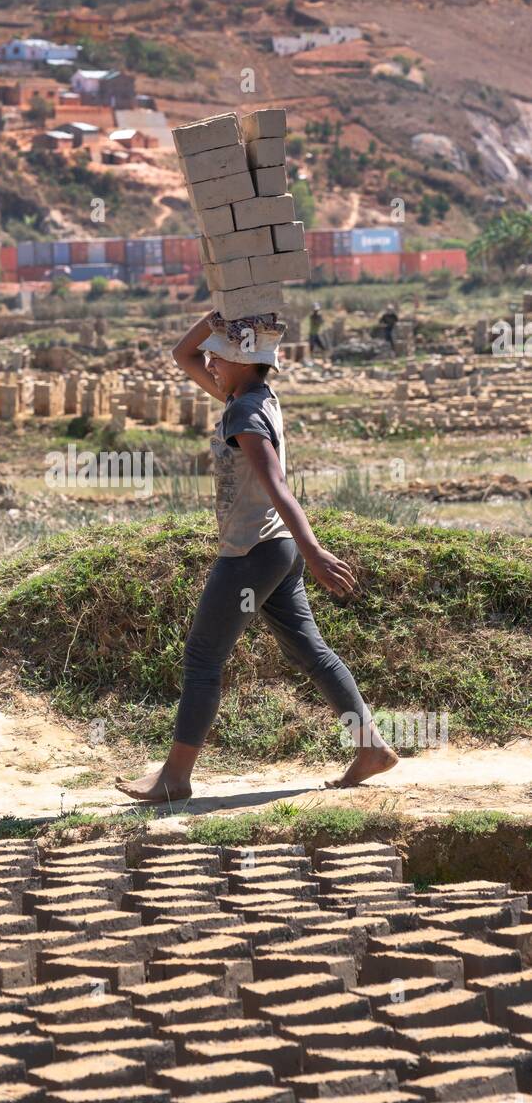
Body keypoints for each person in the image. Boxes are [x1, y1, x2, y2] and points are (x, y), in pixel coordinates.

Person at [116, 311, 397, 804]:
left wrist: (314, 551)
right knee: (311, 652)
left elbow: (278, 487)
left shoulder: (244, 413)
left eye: (217, 356)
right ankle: (369, 747)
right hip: (275, 552)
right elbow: (182, 353)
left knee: (203, 659)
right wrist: (214, 316)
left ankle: (175, 778)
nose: (208, 362)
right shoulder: (254, 397)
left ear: (242, 362)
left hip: (251, 553)